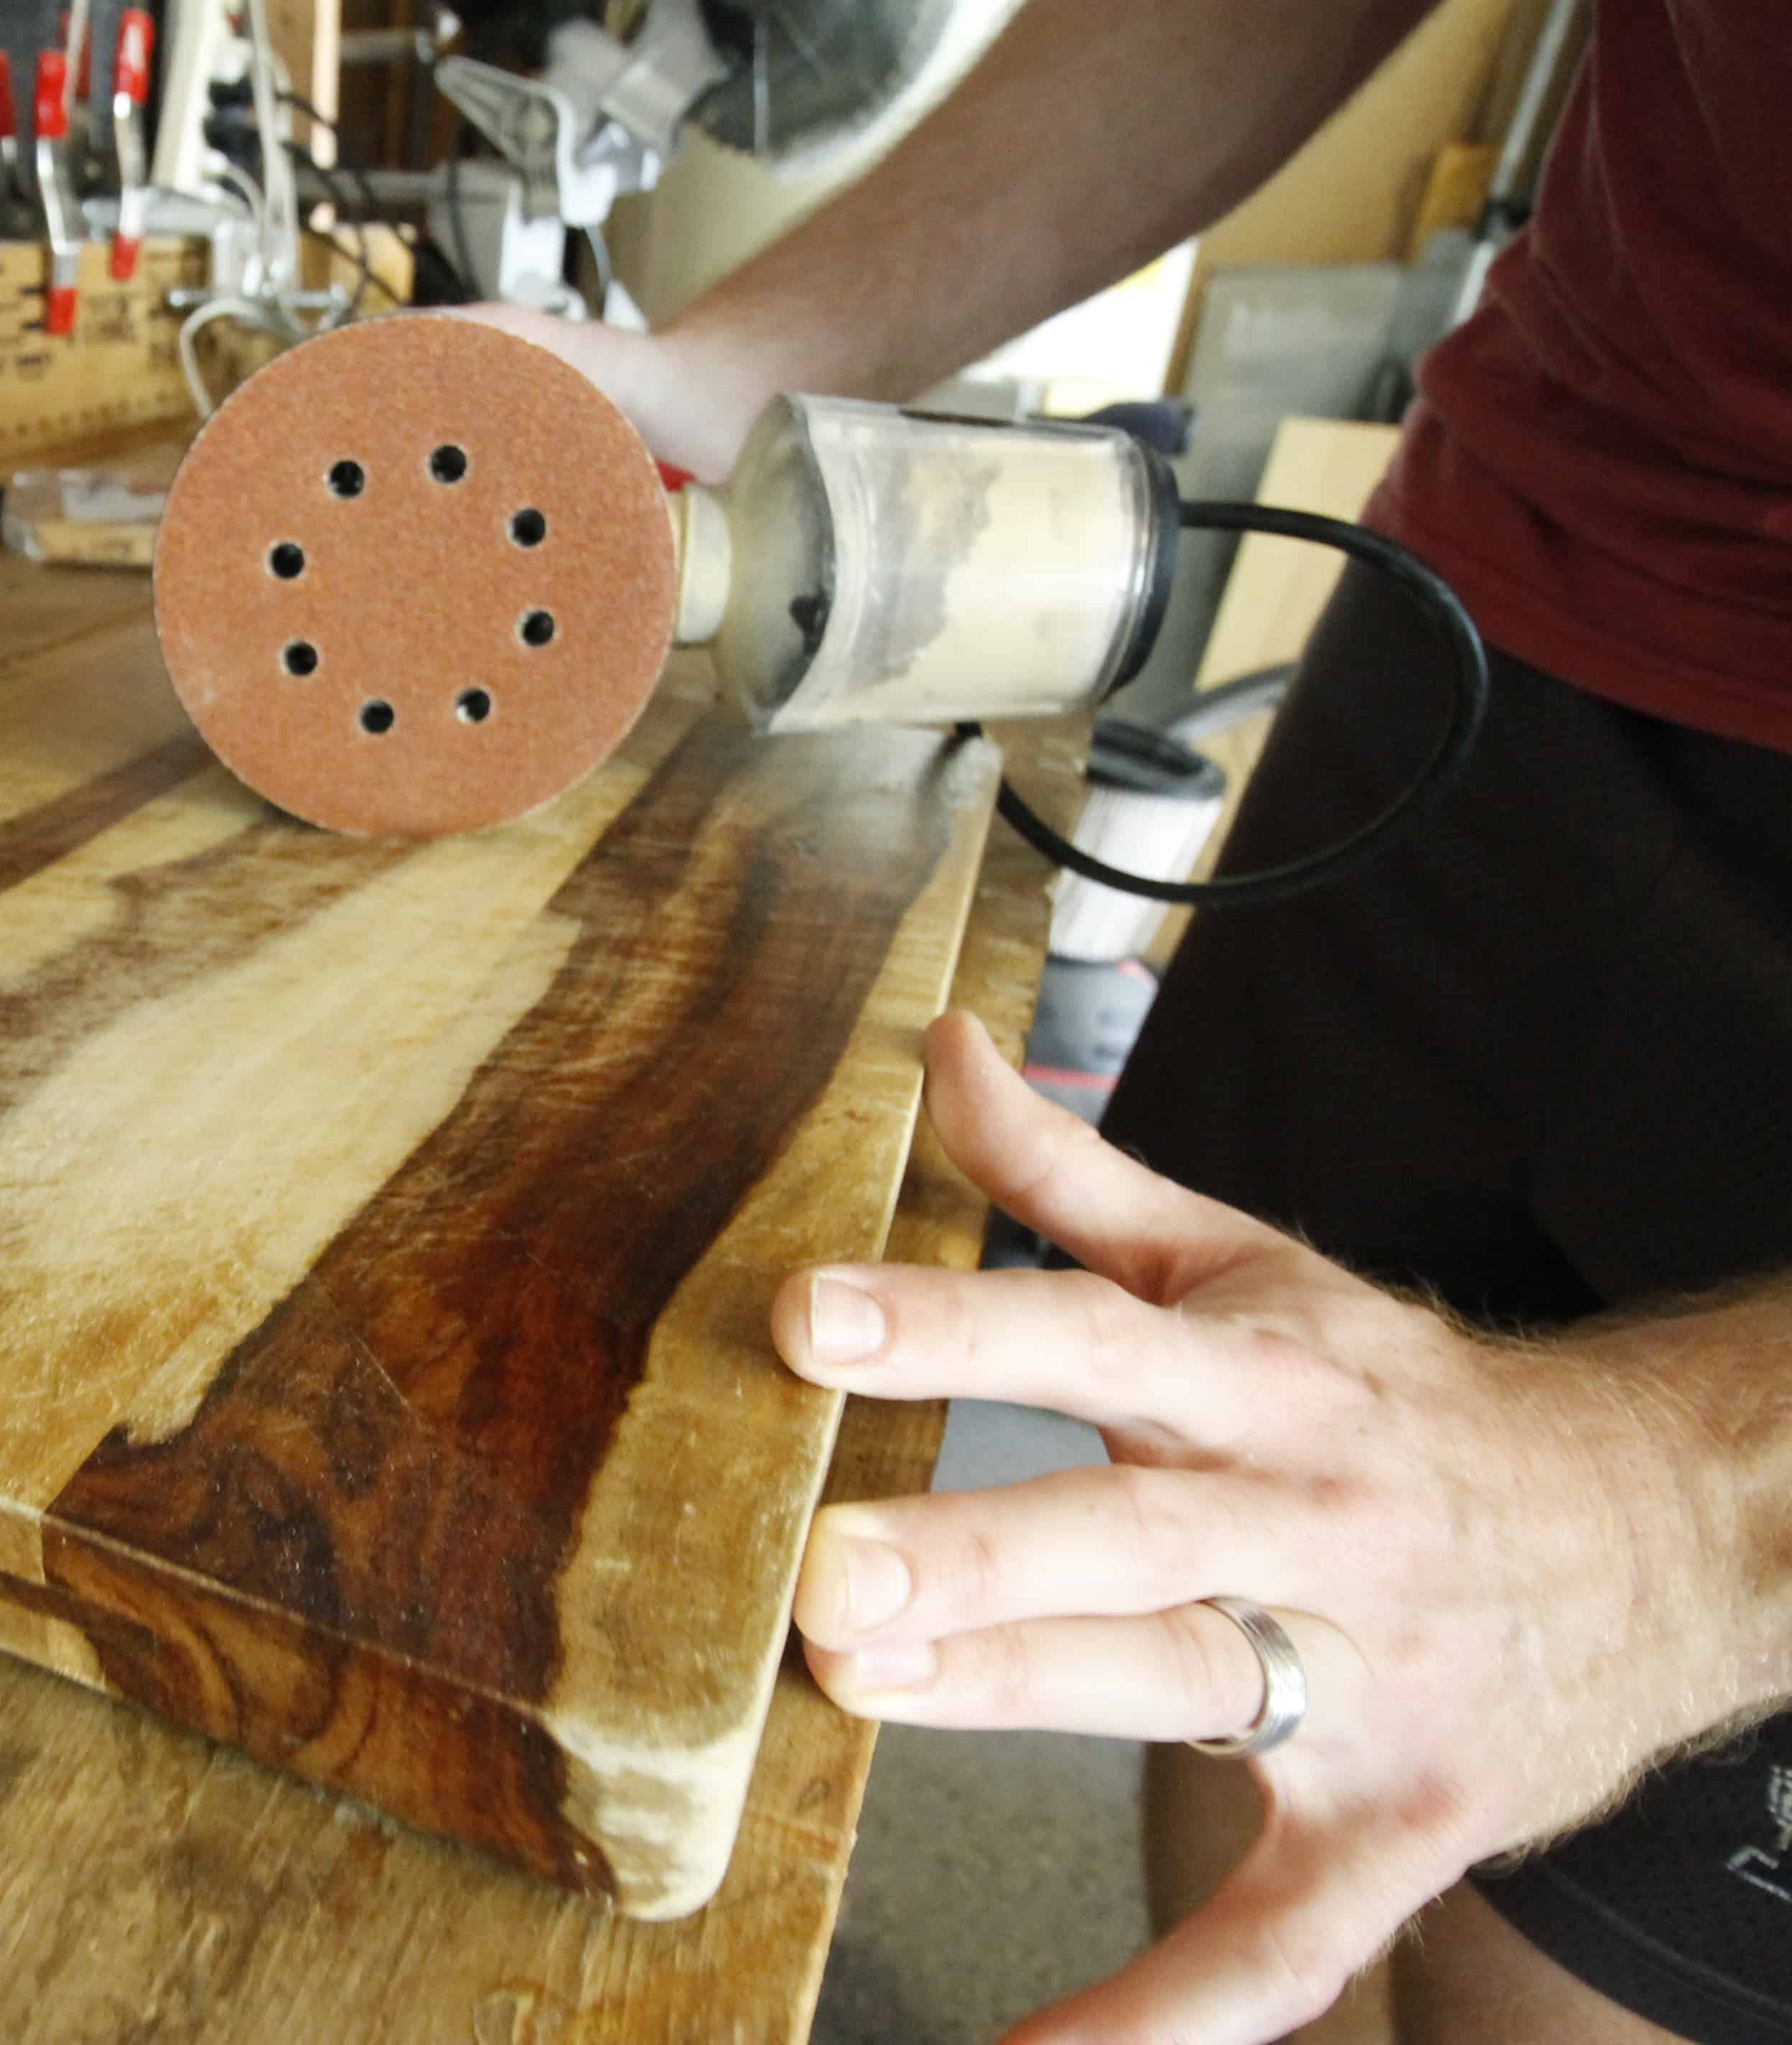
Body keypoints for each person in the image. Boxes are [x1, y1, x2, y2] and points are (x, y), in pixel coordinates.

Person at [466, 1, 1792, 2039]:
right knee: (1257, 1652)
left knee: (1558, 1972)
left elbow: (1651, 1559)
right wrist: (721, 374)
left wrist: (1690, 1523)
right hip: (1504, 616)